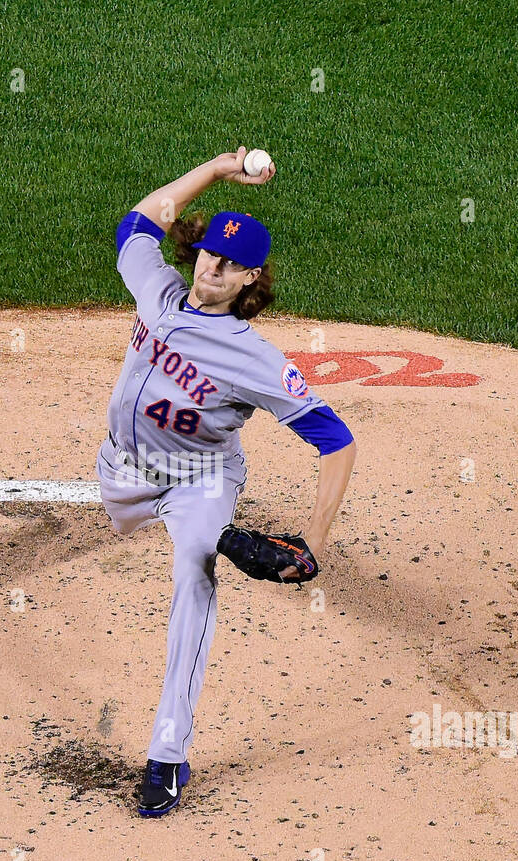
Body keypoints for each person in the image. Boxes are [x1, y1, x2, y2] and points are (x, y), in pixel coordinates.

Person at [96, 147, 357, 817]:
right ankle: (143, 516)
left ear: (249, 280)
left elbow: (336, 440)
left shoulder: (254, 358)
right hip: (121, 471)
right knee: (118, 517)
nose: (212, 266)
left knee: (197, 575)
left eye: (229, 263)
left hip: (198, 480)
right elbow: (138, 223)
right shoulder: (155, 286)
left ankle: (167, 753)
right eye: (209, 252)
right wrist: (214, 170)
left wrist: (315, 543)